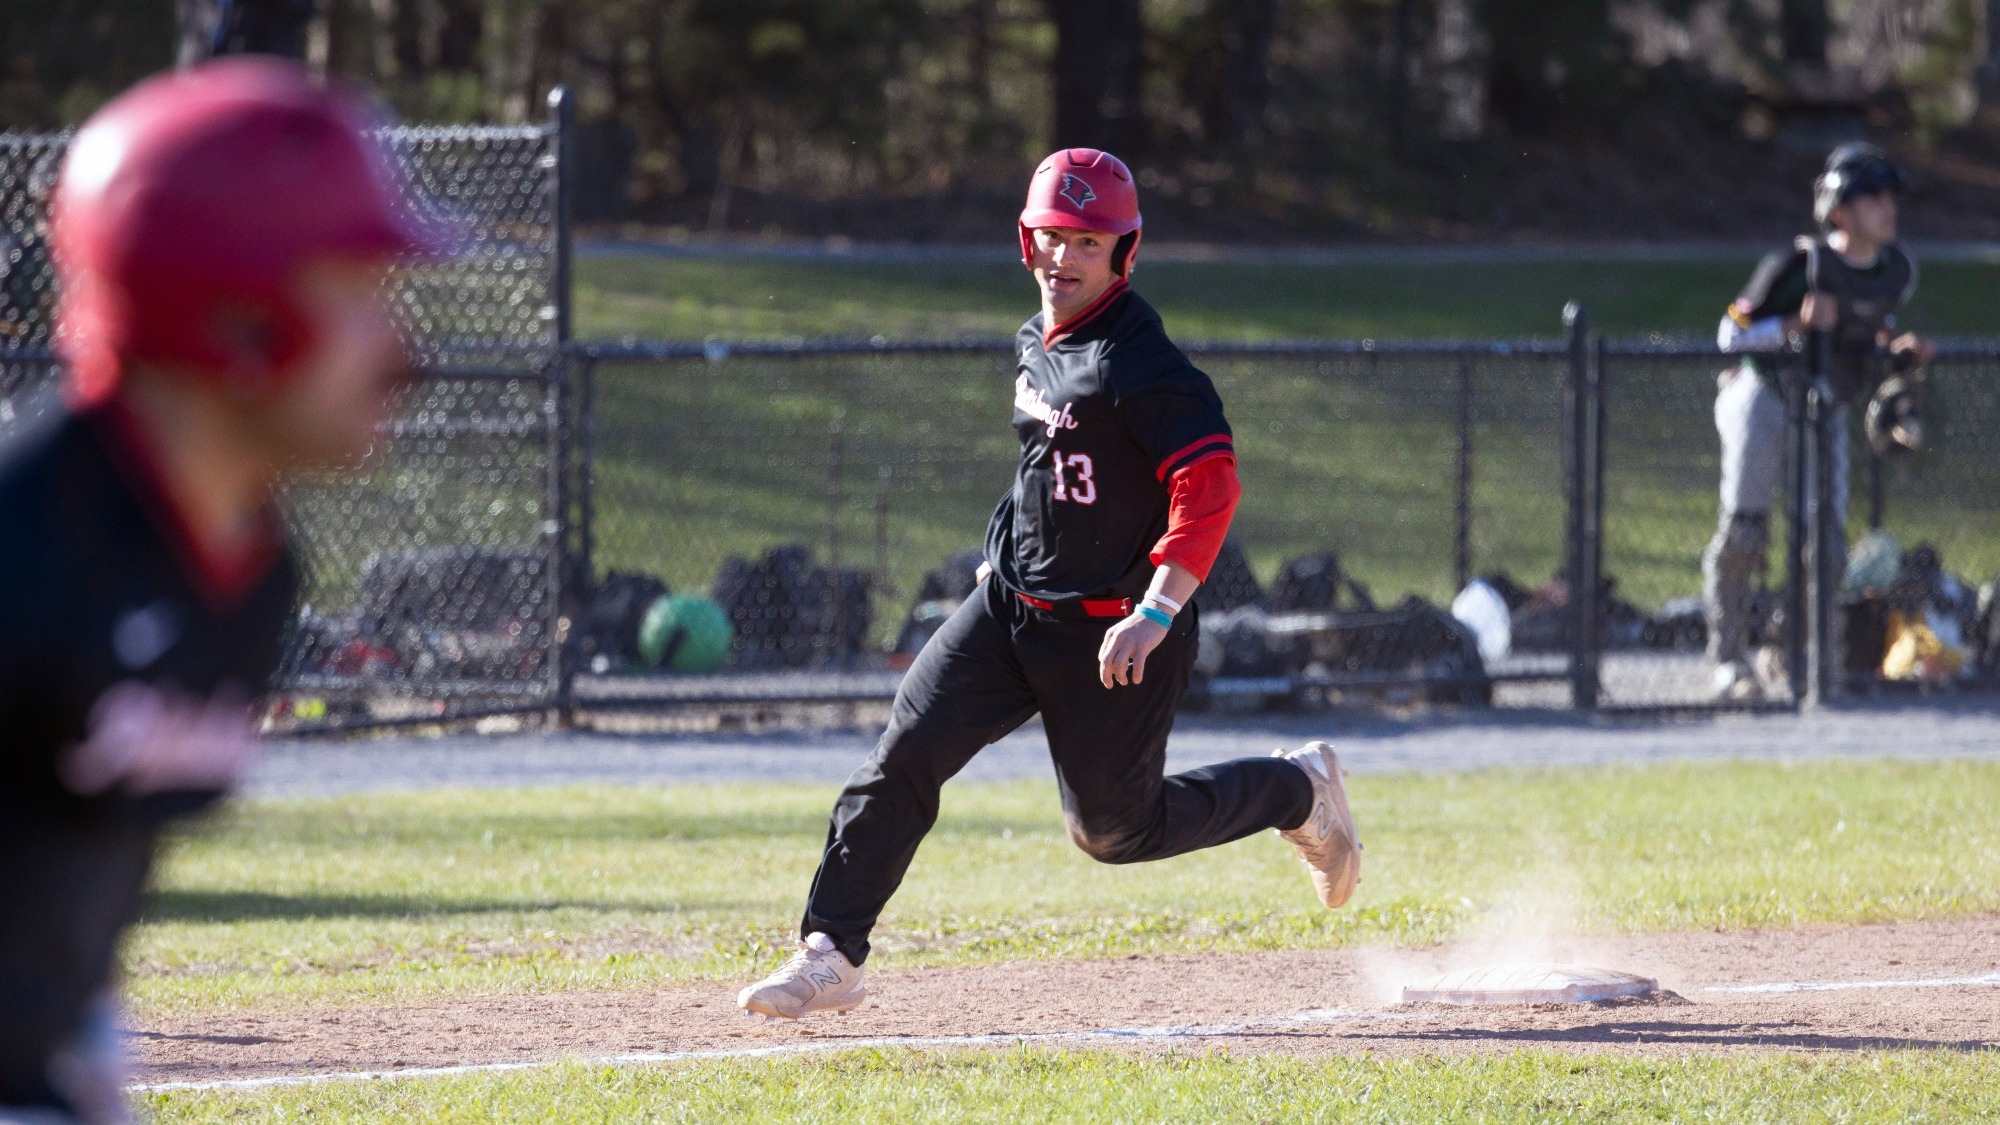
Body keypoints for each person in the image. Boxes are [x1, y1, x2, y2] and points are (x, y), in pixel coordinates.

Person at [737, 148, 1361, 1020]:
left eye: (1089, 241)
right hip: (1011, 611)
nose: (1065, 257)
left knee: (1114, 832)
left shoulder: (1140, 363)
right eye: (1054, 236)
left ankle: (1295, 791)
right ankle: (831, 950)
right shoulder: (1036, 339)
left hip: (1115, 635)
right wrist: (1008, 550)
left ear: (1123, 252)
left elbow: (1210, 488)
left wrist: (1156, 610)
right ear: (1025, 239)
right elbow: (1054, 464)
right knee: (904, 753)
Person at [0, 58, 434, 1121]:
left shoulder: (250, 563)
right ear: (231, 317)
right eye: (354, 297)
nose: (399, 349)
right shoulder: (25, 550)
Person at [1704, 142, 1932, 700]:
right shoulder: (1798, 263)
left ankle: (1797, 655)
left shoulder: (1893, 270)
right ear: (1840, 211)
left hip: (1826, 404)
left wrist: (1896, 346)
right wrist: (1792, 324)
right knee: (1746, 533)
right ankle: (1728, 661)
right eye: (1874, 199)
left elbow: (1867, 325)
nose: (1888, 209)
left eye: (1889, 199)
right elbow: (1729, 333)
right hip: (1765, 394)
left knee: (1825, 544)